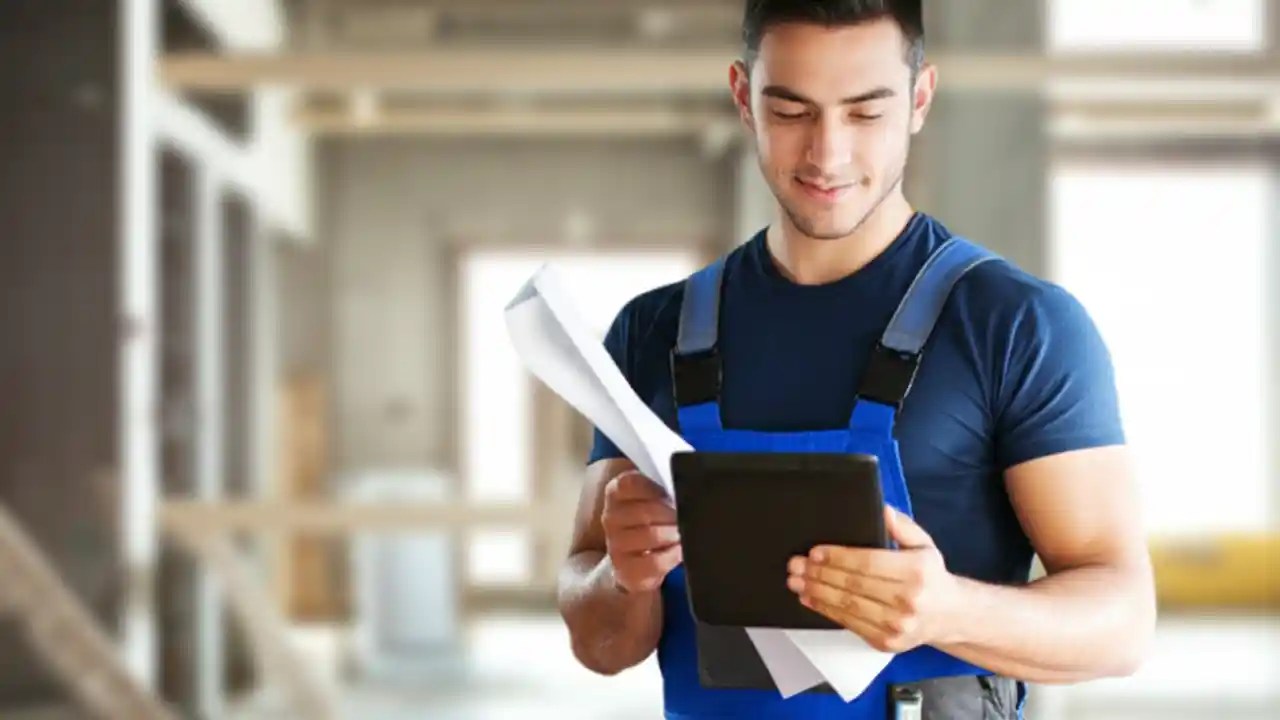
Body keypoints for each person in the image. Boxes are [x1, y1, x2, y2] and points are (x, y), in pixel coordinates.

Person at [557, 1, 1156, 718]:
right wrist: (622, 582)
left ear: (920, 98)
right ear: (744, 97)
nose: (827, 154)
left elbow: (1122, 623)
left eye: (865, 114)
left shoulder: (1017, 326)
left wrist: (948, 612)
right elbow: (602, 644)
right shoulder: (650, 333)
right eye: (792, 113)